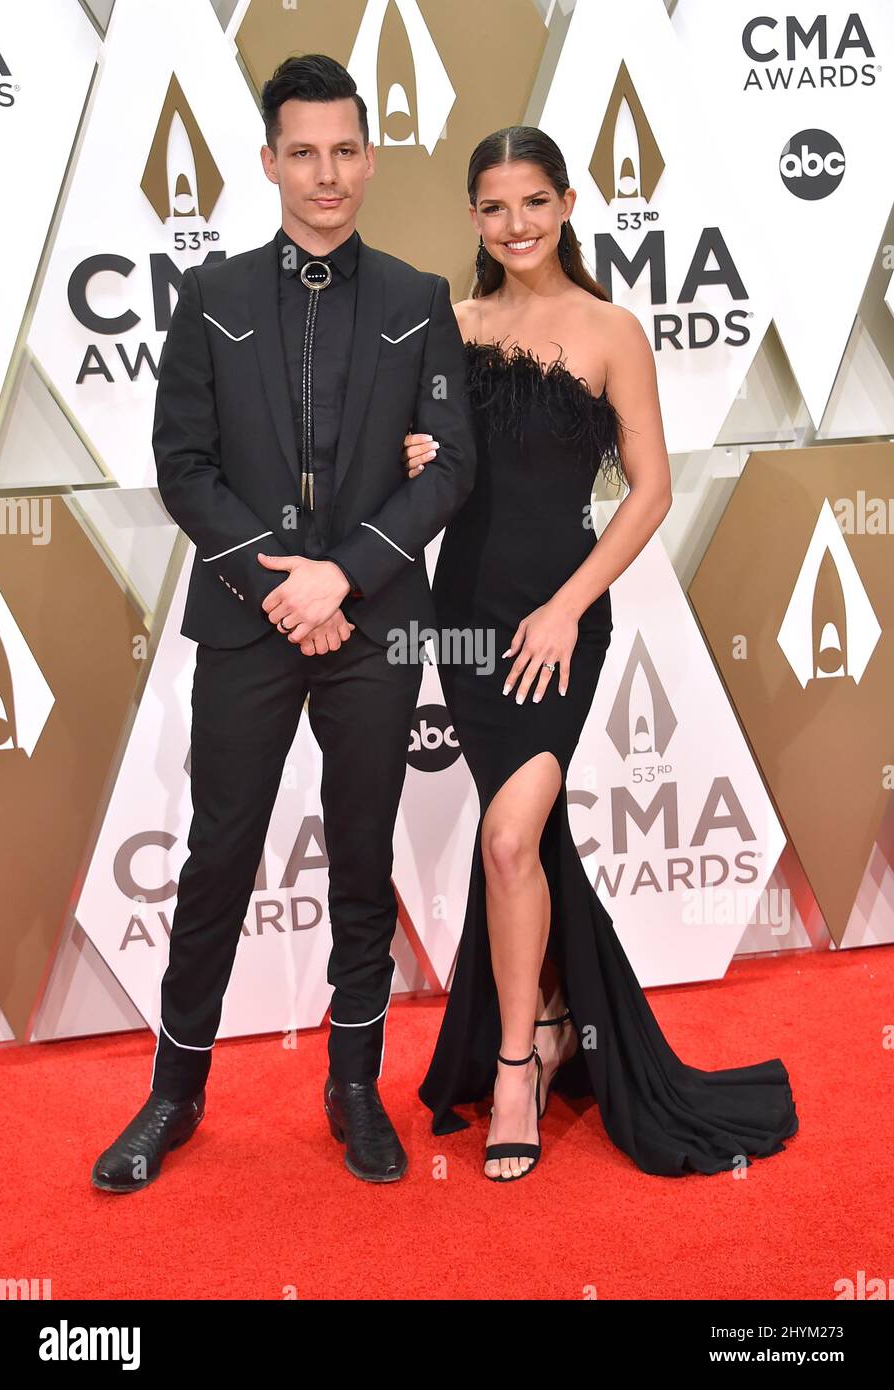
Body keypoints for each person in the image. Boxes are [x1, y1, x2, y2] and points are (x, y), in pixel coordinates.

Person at [90, 54, 476, 1192]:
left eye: (345, 150)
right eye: (302, 152)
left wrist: (341, 577)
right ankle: (174, 1090)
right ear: (268, 162)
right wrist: (280, 583)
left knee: (361, 858)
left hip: (370, 623)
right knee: (216, 858)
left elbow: (448, 468)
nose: (326, 174)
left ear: (369, 156)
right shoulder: (210, 298)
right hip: (250, 628)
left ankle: (355, 1087)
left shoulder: (417, 299)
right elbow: (184, 468)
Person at [402, 126, 798, 1181]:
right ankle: (552, 1020)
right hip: (464, 618)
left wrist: (567, 607)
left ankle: (518, 1064)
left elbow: (650, 491)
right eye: (492, 207)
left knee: (506, 839)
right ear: (473, 216)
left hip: (557, 620)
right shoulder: (449, 325)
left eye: (533, 202)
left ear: (567, 203)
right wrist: (417, 456)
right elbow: (429, 475)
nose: (514, 225)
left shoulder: (610, 328)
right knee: (521, 846)